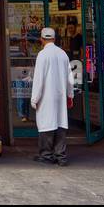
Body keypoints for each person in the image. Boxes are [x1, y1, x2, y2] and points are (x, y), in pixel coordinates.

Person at [30, 26, 73, 166]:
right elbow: (69, 78)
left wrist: (34, 98)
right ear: (54, 38)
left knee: (46, 124)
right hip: (60, 94)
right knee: (60, 124)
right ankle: (61, 155)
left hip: (46, 96)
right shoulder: (63, 54)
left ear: (42, 39)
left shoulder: (42, 55)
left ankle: (46, 154)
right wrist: (70, 94)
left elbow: (38, 79)